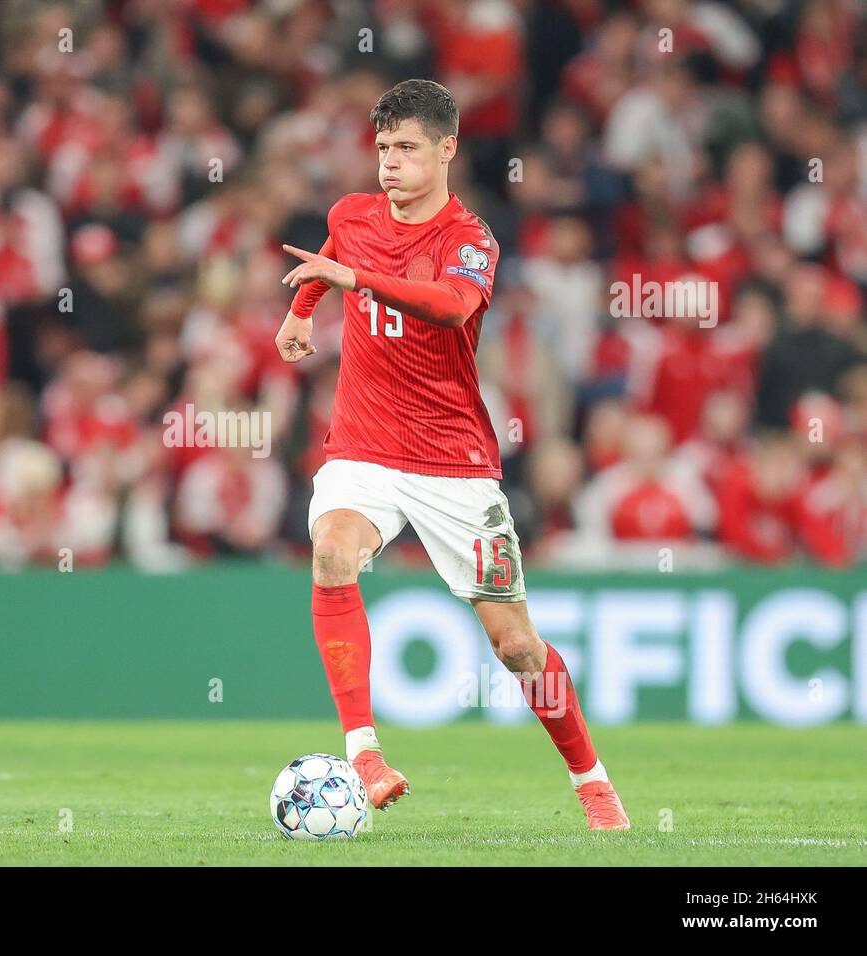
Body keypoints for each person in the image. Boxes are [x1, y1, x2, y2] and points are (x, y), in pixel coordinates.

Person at [276, 79, 628, 829]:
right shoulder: (352, 214)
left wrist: (351, 280)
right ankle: (365, 753)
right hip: (364, 445)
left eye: (406, 148)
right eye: (382, 149)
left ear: (447, 149)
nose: (390, 164)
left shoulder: (471, 241)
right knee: (332, 550)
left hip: (454, 461)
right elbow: (334, 254)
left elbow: (450, 307)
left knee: (517, 647)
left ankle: (592, 780)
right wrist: (301, 312)